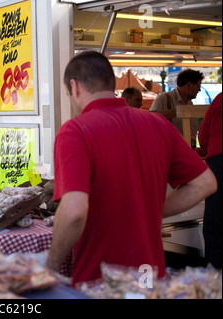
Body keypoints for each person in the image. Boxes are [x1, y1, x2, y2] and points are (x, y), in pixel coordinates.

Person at [45, 51, 217, 286]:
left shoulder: (75, 131)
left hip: (100, 280)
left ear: (74, 87)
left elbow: (74, 212)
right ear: (111, 83)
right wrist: (152, 208)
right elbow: (205, 183)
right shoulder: (157, 124)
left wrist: (50, 266)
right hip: (150, 276)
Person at [198, 92, 222, 269]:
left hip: (218, 162)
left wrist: (207, 150)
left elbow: (204, 134)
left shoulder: (220, 98)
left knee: (215, 220)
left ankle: (214, 274)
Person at [149, 69, 204, 145]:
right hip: (169, 150)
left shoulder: (190, 103)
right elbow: (151, 121)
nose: (199, 90)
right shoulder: (163, 99)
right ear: (189, 85)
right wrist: (177, 112)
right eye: (198, 86)